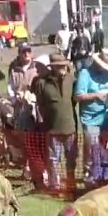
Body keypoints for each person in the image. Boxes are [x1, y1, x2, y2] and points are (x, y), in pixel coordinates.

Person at [36, 53, 78, 193]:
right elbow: (40, 105)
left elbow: (74, 100)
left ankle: (71, 183)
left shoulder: (72, 80)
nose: (62, 68)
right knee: (54, 158)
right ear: (52, 67)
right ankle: (54, 185)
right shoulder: (42, 83)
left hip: (70, 126)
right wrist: (47, 119)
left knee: (71, 157)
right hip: (52, 128)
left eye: (63, 65)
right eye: (58, 66)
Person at [75, 48, 108, 168]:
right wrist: (96, 95)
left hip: (106, 118)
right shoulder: (85, 74)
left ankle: (105, 172)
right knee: (91, 149)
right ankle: (89, 171)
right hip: (90, 119)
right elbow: (78, 96)